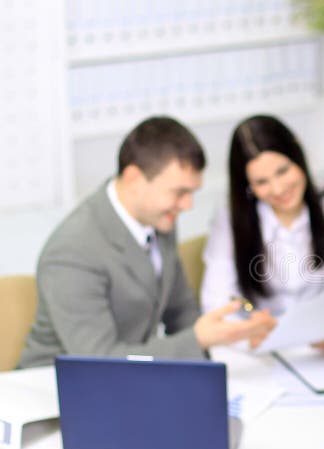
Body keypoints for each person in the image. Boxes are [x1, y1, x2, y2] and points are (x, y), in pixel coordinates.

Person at [19, 117, 275, 368]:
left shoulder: (158, 219)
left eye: (191, 193)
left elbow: (181, 311)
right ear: (133, 179)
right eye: (179, 192)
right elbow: (99, 359)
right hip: (60, 386)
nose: (188, 205)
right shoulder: (72, 252)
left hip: (127, 375)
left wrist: (228, 333)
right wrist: (197, 340)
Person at [201, 115, 324, 354]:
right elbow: (215, 301)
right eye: (261, 182)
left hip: (322, 343)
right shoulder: (230, 217)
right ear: (247, 185)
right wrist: (248, 334)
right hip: (259, 349)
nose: (278, 189)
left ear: (298, 155)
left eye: (283, 171)